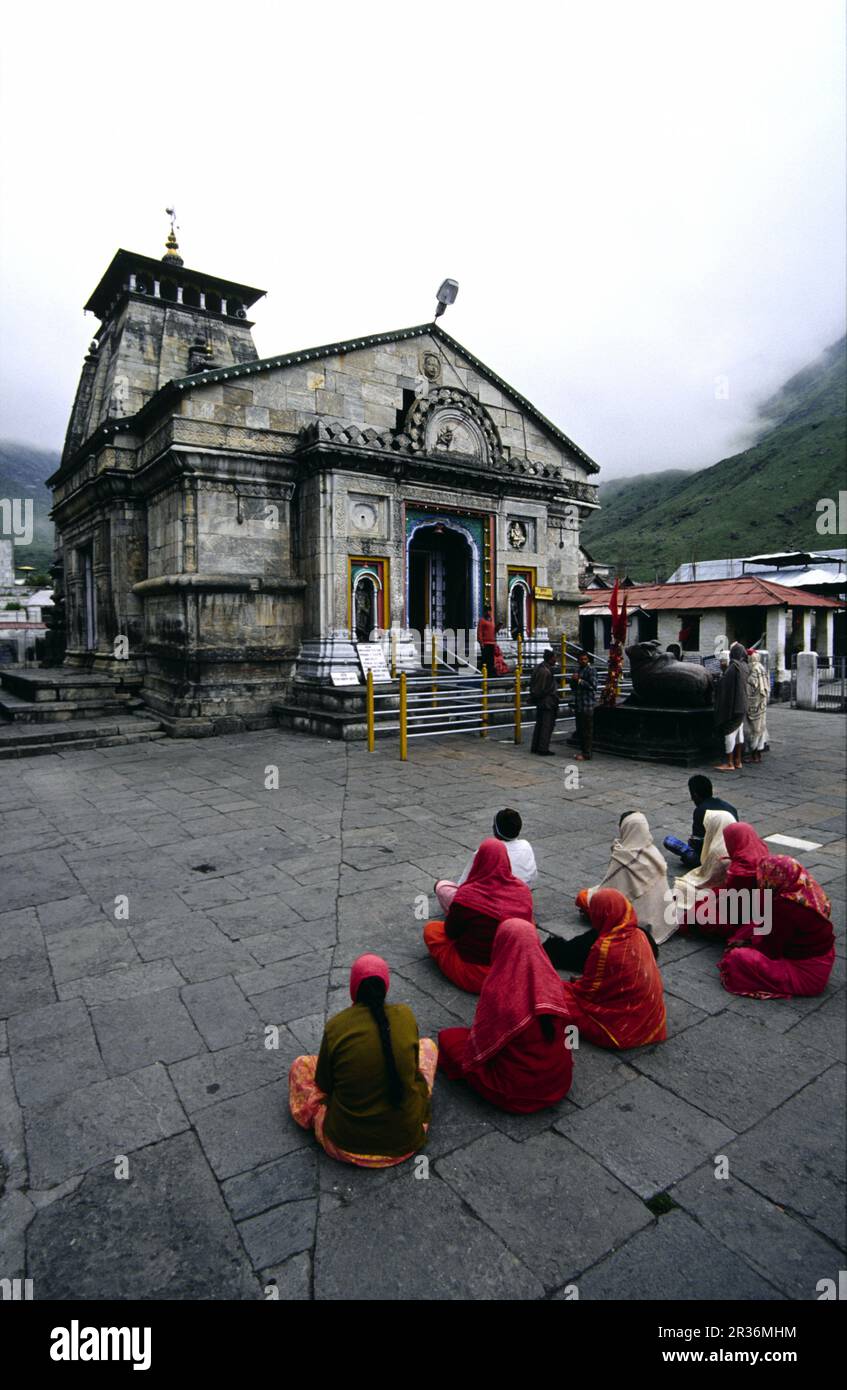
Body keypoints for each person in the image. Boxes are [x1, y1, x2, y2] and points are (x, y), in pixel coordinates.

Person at [289, 953, 436, 1167]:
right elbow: (413, 1072)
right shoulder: (405, 1015)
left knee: (301, 1065)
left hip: (346, 1146)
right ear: (386, 986)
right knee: (428, 1046)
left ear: (353, 989)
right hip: (406, 1140)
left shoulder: (336, 1027)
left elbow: (324, 1085)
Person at [437, 918, 574, 1113]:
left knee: (448, 1038)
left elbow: (483, 1043)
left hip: (516, 1094)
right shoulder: (552, 980)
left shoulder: (501, 990)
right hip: (558, 1083)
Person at [554, 888, 667, 1049]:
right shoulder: (639, 934)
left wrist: (571, 986)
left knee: (555, 995)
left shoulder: (605, 948)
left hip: (622, 1030)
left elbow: (588, 993)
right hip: (651, 1017)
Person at [423, 838, 534, 992]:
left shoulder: (467, 895)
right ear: (506, 860)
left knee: (432, 930)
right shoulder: (522, 891)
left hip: (476, 975)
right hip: (512, 970)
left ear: (479, 860)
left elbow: (451, 932)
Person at [719, 856, 835, 999]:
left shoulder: (785, 907)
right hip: (822, 958)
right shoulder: (805, 889)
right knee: (753, 924)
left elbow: (770, 950)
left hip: (806, 973)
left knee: (737, 957)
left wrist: (747, 944)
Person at [565, 811, 671, 945]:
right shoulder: (654, 853)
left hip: (636, 918)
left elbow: (610, 891)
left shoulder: (623, 856)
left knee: (583, 897)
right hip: (663, 918)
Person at [435, 807, 537, 912]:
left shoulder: (485, 851)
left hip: (490, 906)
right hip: (519, 901)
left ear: (495, 830)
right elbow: (532, 876)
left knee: (441, 886)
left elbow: (463, 886)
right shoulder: (526, 845)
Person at [685, 821, 771, 939]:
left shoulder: (740, 871)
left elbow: (735, 906)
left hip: (743, 916)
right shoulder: (762, 850)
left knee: (699, 910)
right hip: (762, 907)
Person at [663, 774, 738, 869]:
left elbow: (698, 844)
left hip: (715, 858)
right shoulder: (730, 807)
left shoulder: (701, 810)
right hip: (734, 855)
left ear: (695, 795)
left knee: (669, 841)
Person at [672, 807, 736, 921]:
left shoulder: (718, 852)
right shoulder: (735, 839)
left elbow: (707, 878)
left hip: (722, 894)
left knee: (682, 887)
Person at [714, 641, 749, 771]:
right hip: (743, 704)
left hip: (735, 706)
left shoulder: (734, 668)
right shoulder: (745, 666)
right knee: (739, 733)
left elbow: (725, 686)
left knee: (729, 732)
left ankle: (729, 763)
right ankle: (738, 760)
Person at [529, 649, 559, 755]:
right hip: (546, 701)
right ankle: (542, 748)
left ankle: (536, 746)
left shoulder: (540, 667)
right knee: (546, 725)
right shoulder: (545, 671)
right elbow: (542, 689)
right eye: (554, 657)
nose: (556, 660)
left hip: (542, 701)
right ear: (550, 659)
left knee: (540, 724)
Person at [744, 650, 770, 762]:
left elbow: (750, 688)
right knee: (760, 727)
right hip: (762, 703)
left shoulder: (753, 669)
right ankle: (758, 754)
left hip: (755, 703)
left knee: (754, 729)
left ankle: (753, 754)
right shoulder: (762, 668)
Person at [570, 651, 596, 761]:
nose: (583, 661)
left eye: (585, 659)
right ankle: (583, 751)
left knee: (587, 731)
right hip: (579, 704)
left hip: (587, 705)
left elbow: (593, 686)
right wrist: (573, 681)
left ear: (588, 660)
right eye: (581, 659)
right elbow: (573, 687)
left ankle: (587, 754)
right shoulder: (577, 670)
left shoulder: (591, 670)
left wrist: (580, 680)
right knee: (580, 730)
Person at [476, 607, 497, 678]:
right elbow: (479, 632)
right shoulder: (482, 620)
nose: (488, 612)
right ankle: (484, 673)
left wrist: (498, 628)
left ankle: (491, 673)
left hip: (492, 642)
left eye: (489, 611)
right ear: (485, 612)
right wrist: (481, 642)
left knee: (491, 659)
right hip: (485, 643)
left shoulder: (492, 620)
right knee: (485, 659)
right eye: (487, 611)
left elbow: (493, 631)